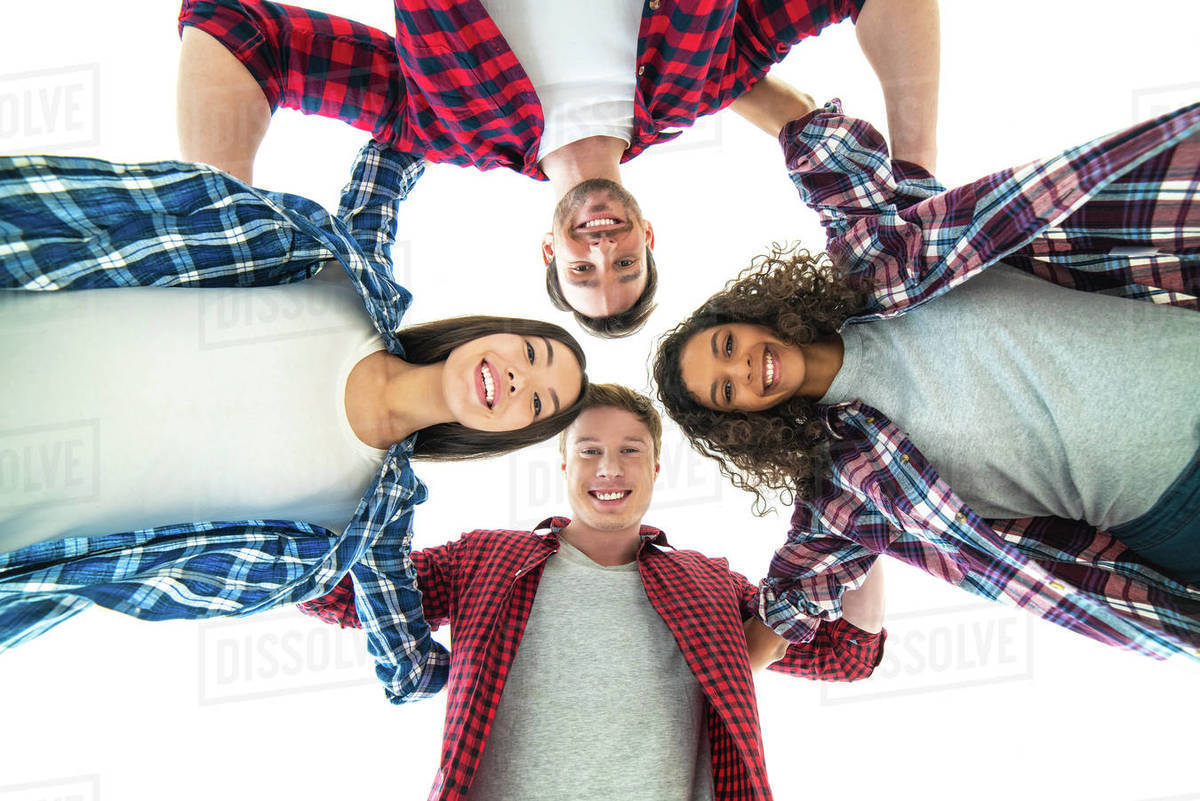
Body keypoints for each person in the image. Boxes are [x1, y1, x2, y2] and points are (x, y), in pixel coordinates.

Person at [0, 141, 589, 703]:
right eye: (532, 354)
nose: (520, 380)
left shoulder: (370, 520)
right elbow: (398, 146)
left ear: (505, 435)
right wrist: (550, 146)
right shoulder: (348, 279)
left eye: (537, 405)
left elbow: (410, 671)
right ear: (495, 330)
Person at [653, 94, 1200, 661]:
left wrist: (709, 62)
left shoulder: (874, 259)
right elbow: (789, 607)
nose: (741, 367)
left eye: (725, 345)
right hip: (1178, 509)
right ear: (742, 419)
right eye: (725, 390)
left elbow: (815, 139)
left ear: (746, 317)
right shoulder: (844, 484)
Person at [175, 0, 940, 337]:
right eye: (626, 262)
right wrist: (914, 188)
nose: (600, 249)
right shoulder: (698, 82)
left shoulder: (446, 125)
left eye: (583, 271)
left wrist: (220, 245)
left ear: (549, 250)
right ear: (648, 230)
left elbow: (243, 35)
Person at [299, 383, 886, 800]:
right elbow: (337, 593)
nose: (610, 468)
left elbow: (845, 651)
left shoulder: (707, 586)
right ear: (563, 464)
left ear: (656, 469)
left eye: (631, 450)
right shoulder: (486, 561)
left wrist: (867, 506)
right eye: (590, 451)